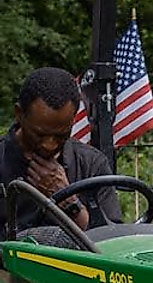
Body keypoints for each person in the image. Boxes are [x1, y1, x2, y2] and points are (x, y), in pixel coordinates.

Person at [0, 67, 121, 239]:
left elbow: (112, 242)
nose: (49, 145)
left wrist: (68, 201)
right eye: (40, 134)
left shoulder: (91, 164)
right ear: (19, 114)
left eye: (61, 135)